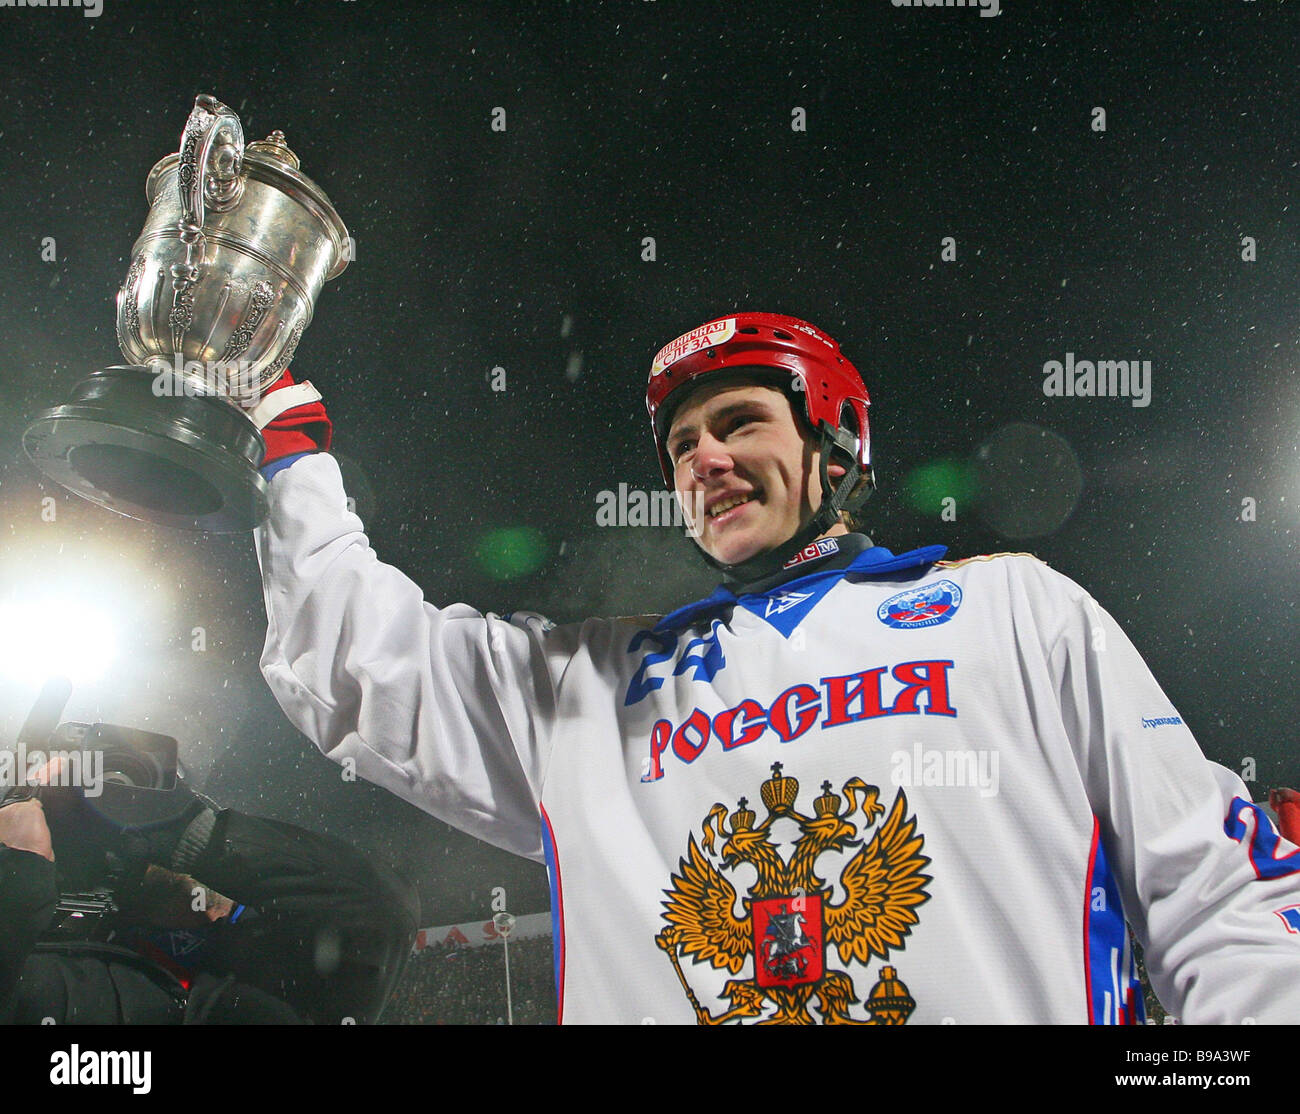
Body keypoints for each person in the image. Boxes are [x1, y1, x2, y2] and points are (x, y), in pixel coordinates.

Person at [252, 311, 1300, 1024]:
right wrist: (283, 430)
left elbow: (1213, 891)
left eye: (739, 421)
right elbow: (356, 664)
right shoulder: (598, 687)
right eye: (681, 446)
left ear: (833, 444)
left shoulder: (1014, 608)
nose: (701, 458)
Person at [0, 767, 419, 1024]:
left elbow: (381, 912)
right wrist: (23, 876)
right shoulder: (66, 948)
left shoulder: (264, 972)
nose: (124, 822)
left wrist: (196, 833)